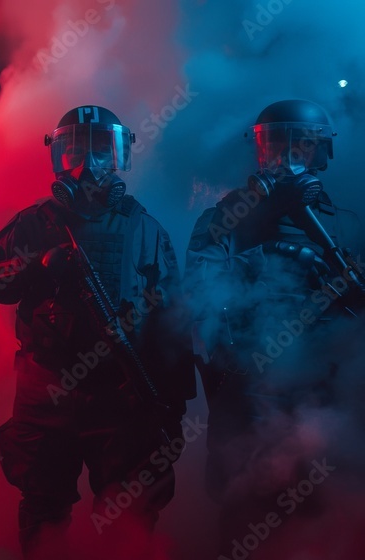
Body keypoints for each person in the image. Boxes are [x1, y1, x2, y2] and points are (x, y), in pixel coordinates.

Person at [0, 105, 194, 558]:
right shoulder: (36, 223)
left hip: (122, 392)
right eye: (74, 151)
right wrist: (34, 265)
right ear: (58, 156)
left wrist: (172, 402)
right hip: (47, 389)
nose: (87, 165)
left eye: (99, 152)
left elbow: (172, 318)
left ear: (119, 156)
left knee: (129, 517)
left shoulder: (142, 227)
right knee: (43, 511)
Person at [186, 99, 364, 557]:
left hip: (324, 394)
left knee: (321, 511)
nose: (287, 160)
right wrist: (271, 255)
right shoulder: (225, 219)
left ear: (322, 154)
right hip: (250, 390)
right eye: (277, 148)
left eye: (300, 149)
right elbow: (196, 291)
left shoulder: (344, 225)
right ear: (260, 153)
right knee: (247, 510)